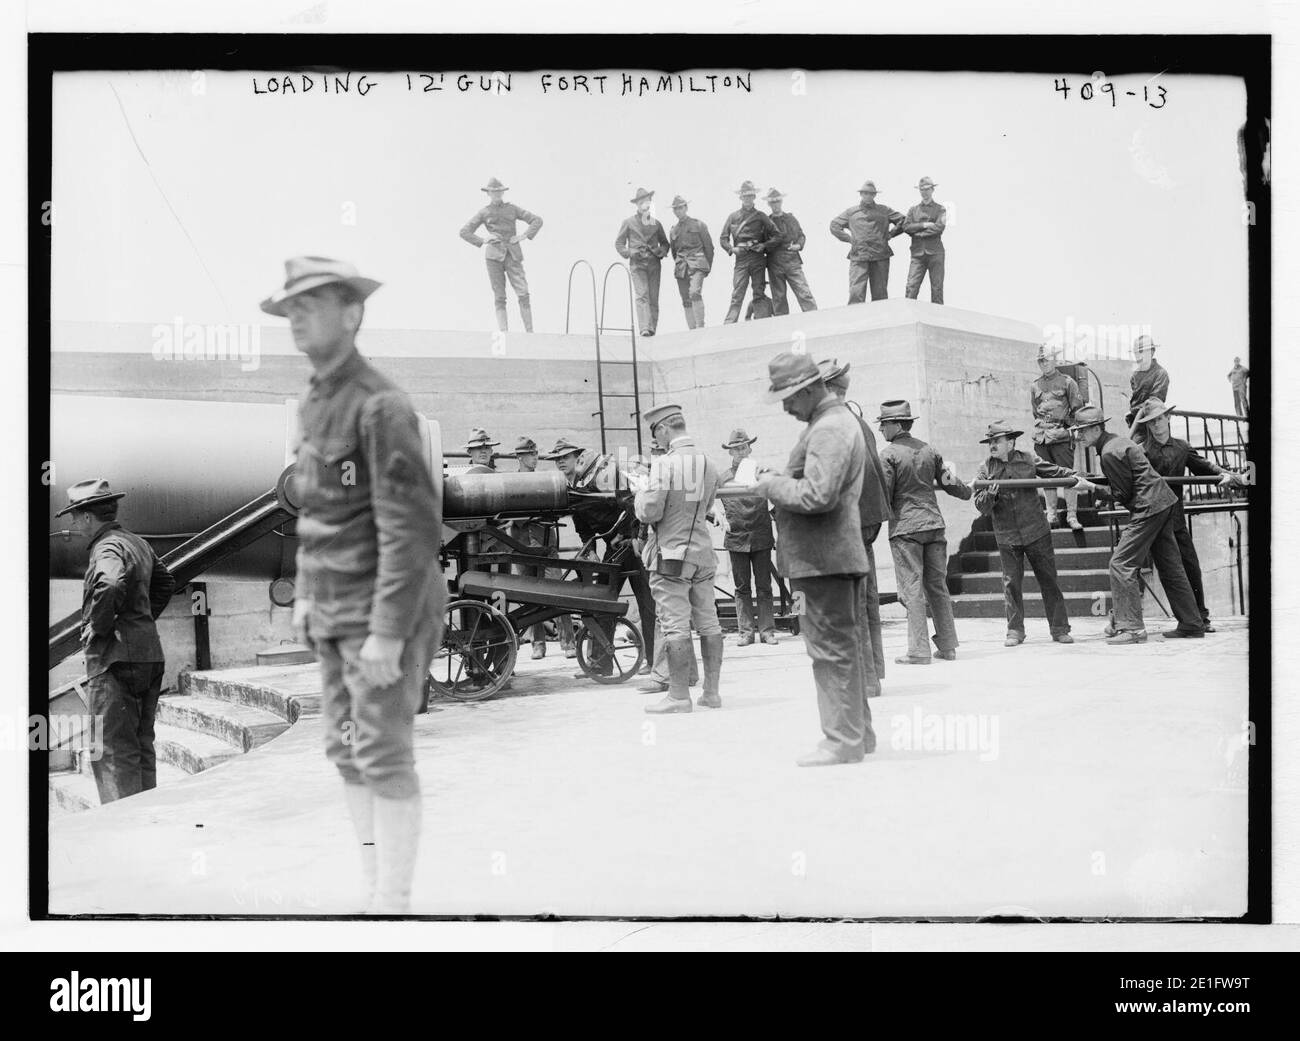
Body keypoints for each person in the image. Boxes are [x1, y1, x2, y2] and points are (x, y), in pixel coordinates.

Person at [263, 255, 444, 914]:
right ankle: (371, 885)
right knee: (343, 749)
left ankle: (393, 900)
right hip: (335, 606)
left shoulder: (381, 406)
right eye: (290, 308)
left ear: (353, 312)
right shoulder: (313, 402)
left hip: (383, 608)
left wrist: (388, 632)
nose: (296, 317)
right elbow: (312, 513)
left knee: (383, 751)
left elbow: (410, 530)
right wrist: (306, 591)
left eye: (311, 303)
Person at [753, 353, 876, 766]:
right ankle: (860, 734)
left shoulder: (828, 429)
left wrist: (772, 485)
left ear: (808, 389)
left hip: (823, 563)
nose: (786, 407)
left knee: (829, 650)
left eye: (788, 398)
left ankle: (842, 741)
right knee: (845, 647)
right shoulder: (834, 423)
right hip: (830, 560)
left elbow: (817, 495)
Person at [57, 478, 175, 804]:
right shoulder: (136, 542)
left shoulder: (106, 547)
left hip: (115, 662)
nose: (72, 524)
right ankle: (146, 823)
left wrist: (99, 625)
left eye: (73, 517)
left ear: (86, 516)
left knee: (110, 751)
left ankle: (123, 832)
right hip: (149, 654)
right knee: (140, 745)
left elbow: (109, 582)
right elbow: (165, 583)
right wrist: (140, 623)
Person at [1068, 404, 1204, 644]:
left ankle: (1132, 628)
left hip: (1147, 508)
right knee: (1171, 566)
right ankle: (1192, 623)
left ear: (1097, 429)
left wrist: (1091, 488)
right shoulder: (1117, 443)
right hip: (1162, 504)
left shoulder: (1110, 453)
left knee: (1120, 564)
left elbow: (1122, 493)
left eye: (1083, 431)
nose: (1079, 436)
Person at [629, 403, 724, 712]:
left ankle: (679, 696)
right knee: (709, 622)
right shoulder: (709, 461)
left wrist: (640, 492)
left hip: (671, 555)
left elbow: (650, 511)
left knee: (675, 626)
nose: (656, 440)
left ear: (663, 429)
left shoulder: (665, 465)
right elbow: (708, 503)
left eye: (655, 433)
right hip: (702, 553)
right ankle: (711, 693)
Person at [972, 421, 1099, 646]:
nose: (992, 445)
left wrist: (1078, 478)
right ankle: (1014, 631)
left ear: (1010, 442)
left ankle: (1060, 629)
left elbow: (1055, 471)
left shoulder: (1029, 459)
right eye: (990, 441)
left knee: (1049, 580)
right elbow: (981, 506)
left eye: (996, 441)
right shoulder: (985, 468)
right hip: (1007, 535)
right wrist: (990, 495)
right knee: (1011, 584)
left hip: (1036, 531)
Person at [541, 435, 656, 677]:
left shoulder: (601, 475)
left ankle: (653, 661)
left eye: (565, 457)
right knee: (604, 603)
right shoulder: (574, 487)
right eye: (557, 459)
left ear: (577, 457)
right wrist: (589, 548)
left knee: (645, 602)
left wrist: (635, 537)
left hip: (630, 546)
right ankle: (601, 663)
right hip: (614, 547)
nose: (560, 462)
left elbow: (633, 504)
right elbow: (583, 525)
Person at [1135, 396, 1248, 634]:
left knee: (1190, 566)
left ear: (1168, 418)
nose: (1156, 426)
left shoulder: (1181, 447)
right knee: (1133, 566)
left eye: (1159, 420)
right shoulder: (1141, 451)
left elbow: (1205, 467)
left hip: (1175, 519)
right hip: (1151, 520)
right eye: (1151, 422)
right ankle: (1124, 620)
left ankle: (1200, 618)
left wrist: (1230, 476)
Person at [878, 399, 972, 664]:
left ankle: (918, 650)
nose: (881, 430)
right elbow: (949, 482)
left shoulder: (888, 455)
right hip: (934, 524)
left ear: (896, 425)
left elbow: (883, 495)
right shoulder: (930, 450)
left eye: (883, 424)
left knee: (911, 590)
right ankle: (948, 646)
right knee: (937, 586)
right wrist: (969, 491)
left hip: (906, 529)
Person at [820, 359, 890, 686]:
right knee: (866, 597)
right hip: (866, 521)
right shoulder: (856, 421)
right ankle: (872, 673)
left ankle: (863, 679)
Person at [716, 428, 777, 646]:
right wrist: (716, 517)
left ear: (750, 448)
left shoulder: (762, 473)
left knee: (764, 586)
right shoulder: (722, 478)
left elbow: (778, 496)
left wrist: (777, 520)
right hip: (737, 538)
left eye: (743, 448)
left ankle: (767, 631)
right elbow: (703, 501)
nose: (740, 452)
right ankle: (746, 632)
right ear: (730, 453)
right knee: (742, 588)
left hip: (761, 535)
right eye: (736, 449)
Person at [459, 177, 543, 333]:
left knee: (523, 293)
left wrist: (523, 236)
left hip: (513, 255)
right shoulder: (484, 212)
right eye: (493, 192)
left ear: (503, 193)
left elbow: (537, 220)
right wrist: (483, 240)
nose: (496, 194)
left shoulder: (513, 209)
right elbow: (464, 232)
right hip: (493, 257)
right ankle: (503, 333)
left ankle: (530, 333)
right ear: (488, 193)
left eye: (499, 192)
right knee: (499, 297)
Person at [509, 436, 567, 660]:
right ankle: (538, 644)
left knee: (559, 592)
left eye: (535, 454)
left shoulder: (546, 481)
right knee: (530, 596)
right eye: (531, 455)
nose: (535, 458)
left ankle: (568, 642)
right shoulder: (511, 483)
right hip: (521, 546)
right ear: (520, 457)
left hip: (545, 544)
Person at [1030, 344, 1086, 530]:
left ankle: (1071, 515)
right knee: (1047, 477)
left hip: (1061, 435)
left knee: (1068, 476)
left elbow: (1077, 410)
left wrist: (1068, 428)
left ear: (1054, 359)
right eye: (1040, 361)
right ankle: (1051, 514)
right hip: (1042, 437)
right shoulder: (1035, 385)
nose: (1043, 363)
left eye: (1046, 359)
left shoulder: (1067, 382)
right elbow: (1035, 411)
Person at [828, 180, 907, 303]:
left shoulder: (884, 210)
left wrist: (891, 234)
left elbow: (904, 221)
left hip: (880, 255)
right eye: (865, 193)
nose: (868, 196)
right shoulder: (851, 212)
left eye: (871, 194)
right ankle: (856, 321)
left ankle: (881, 321)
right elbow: (834, 225)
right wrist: (849, 239)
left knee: (880, 295)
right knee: (856, 293)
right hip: (859, 256)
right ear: (861, 194)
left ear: (875, 195)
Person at [719, 180, 778, 324]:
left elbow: (777, 235)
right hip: (741, 259)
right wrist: (731, 249)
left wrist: (764, 245)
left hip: (757, 257)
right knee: (737, 292)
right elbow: (723, 238)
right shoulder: (733, 217)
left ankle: (761, 322)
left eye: (750, 196)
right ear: (740, 198)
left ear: (754, 198)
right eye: (745, 196)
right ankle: (729, 323)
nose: (748, 199)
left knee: (758, 291)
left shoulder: (761, 216)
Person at [615, 187, 671, 337]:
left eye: (647, 201)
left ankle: (652, 329)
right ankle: (645, 328)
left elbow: (665, 243)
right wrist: (629, 253)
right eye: (641, 202)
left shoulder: (656, 224)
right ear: (637, 205)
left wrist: (661, 251)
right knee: (642, 295)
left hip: (654, 264)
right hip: (637, 264)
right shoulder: (628, 222)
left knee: (653, 297)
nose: (645, 205)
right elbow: (619, 244)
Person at [763, 189, 817, 315]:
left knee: (804, 293)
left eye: (777, 201)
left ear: (781, 202)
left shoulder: (790, 218)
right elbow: (763, 243)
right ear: (769, 204)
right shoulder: (766, 222)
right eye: (772, 202)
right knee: (779, 298)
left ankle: (814, 320)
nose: (775, 204)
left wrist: (798, 245)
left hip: (792, 261)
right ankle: (782, 328)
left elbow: (801, 235)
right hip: (774, 263)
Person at [667, 195, 714, 329]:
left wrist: (707, 267)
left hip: (698, 264)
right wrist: (679, 263)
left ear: (686, 208)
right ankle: (692, 330)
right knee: (686, 300)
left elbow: (709, 248)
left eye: (680, 208)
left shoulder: (698, 225)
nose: (678, 211)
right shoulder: (673, 230)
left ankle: (700, 326)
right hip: (681, 267)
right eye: (675, 209)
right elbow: (674, 252)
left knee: (694, 292)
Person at [903, 176, 947, 304]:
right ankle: (909, 317)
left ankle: (938, 320)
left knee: (937, 288)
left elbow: (939, 228)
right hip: (917, 254)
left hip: (936, 253)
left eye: (927, 189)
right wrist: (923, 225)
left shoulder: (941, 209)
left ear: (932, 190)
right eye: (922, 189)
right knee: (911, 287)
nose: (924, 192)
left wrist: (917, 234)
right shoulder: (913, 210)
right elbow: (906, 227)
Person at [1126, 334, 1170, 425]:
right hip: (1137, 423)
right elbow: (1134, 401)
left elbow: (1154, 402)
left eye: (1141, 351)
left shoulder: (1161, 373)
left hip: (1155, 423)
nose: (1138, 356)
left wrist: (1133, 412)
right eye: (1136, 352)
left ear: (1152, 352)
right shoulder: (1135, 376)